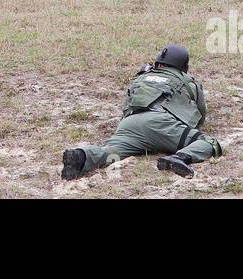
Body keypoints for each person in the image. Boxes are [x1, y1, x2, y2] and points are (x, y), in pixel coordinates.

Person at [60, 44, 223, 180]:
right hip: (163, 125)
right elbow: (200, 115)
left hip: (129, 124)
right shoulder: (188, 82)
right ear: (183, 67)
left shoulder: (140, 78)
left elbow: (126, 106)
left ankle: (81, 156)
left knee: (109, 152)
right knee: (210, 142)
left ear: (159, 63)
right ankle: (178, 158)